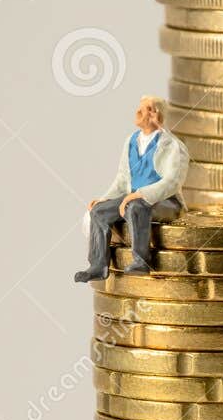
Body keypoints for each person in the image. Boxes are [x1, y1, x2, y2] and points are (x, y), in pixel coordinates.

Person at [76, 97, 189, 283]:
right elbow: (122, 179)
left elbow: (172, 182)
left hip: (166, 202)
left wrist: (141, 194)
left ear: (156, 115)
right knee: (98, 211)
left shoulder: (172, 145)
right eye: (140, 107)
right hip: (132, 198)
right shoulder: (131, 140)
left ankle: (141, 261)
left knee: (136, 207)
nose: (138, 112)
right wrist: (104, 198)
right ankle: (98, 265)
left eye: (146, 109)